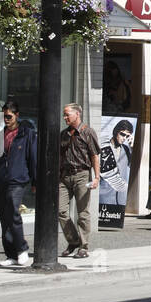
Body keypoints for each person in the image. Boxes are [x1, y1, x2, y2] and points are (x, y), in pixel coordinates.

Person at [0, 99, 36, 267]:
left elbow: (33, 158)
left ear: (17, 115)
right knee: (4, 218)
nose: (6, 119)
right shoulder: (1, 134)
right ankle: (11, 255)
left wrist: (35, 181)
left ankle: (22, 249)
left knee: (13, 211)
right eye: (4, 116)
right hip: (2, 180)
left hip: (18, 180)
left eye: (9, 116)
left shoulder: (26, 133)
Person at [58, 103, 100, 259]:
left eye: (67, 114)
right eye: (64, 114)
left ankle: (83, 246)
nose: (65, 117)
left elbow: (94, 156)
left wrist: (96, 177)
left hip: (82, 174)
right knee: (61, 210)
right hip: (64, 176)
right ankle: (73, 240)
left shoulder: (88, 132)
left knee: (83, 212)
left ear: (77, 114)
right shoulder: (63, 134)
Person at [98, 119, 134, 208]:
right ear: (115, 131)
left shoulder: (126, 149)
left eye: (127, 136)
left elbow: (133, 167)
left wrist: (132, 148)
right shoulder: (103, 147)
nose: (124, 138)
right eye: (122, 134)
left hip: (121, 198)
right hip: (104, 195)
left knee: (118, 222)